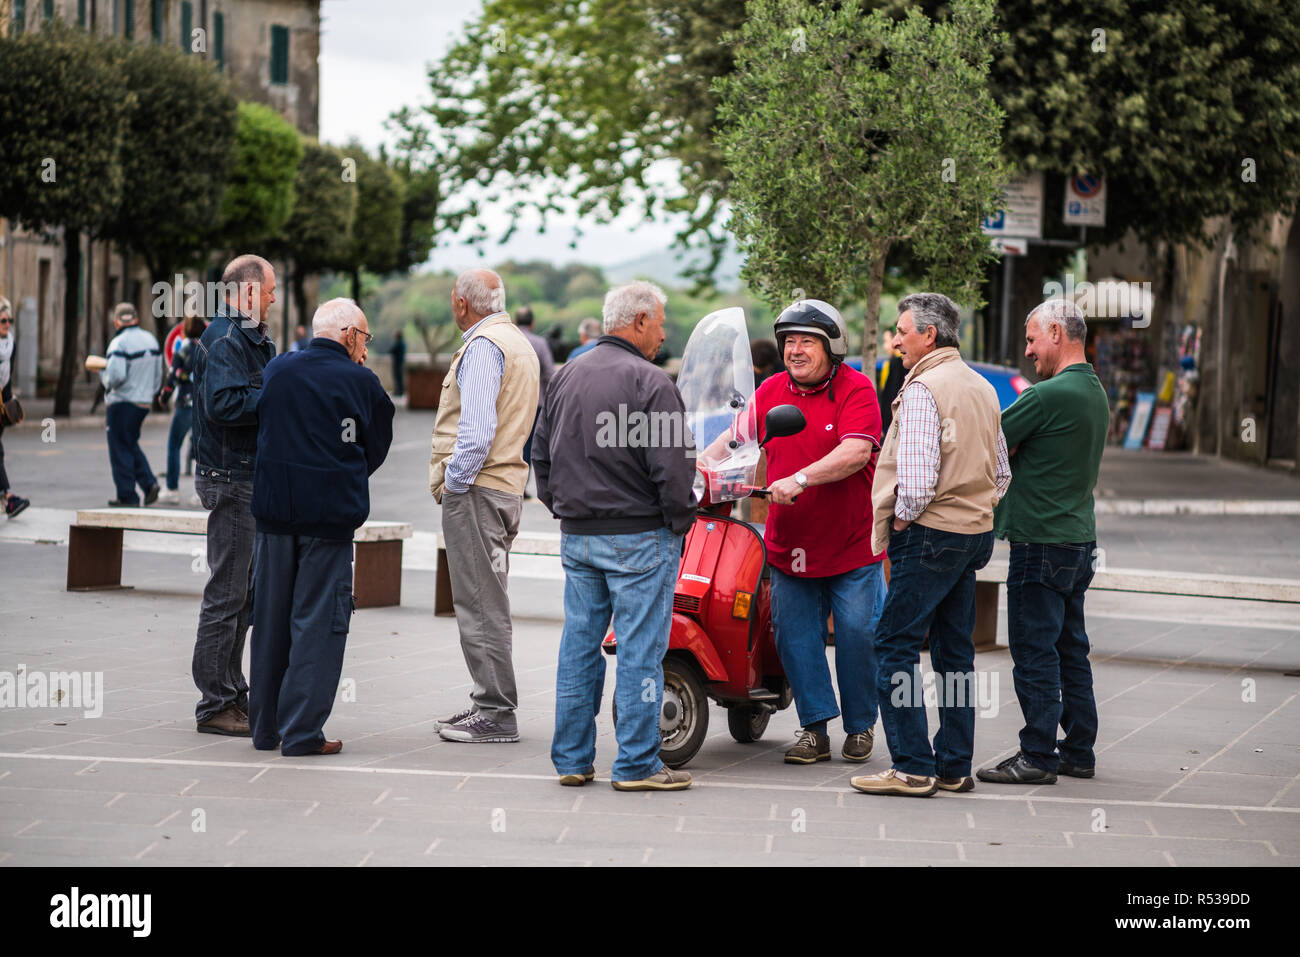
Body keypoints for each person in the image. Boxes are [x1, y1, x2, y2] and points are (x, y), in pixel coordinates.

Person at [533, 281, 695, 791]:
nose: (664, 334)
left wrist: (561, 505)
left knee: (579, 646)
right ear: (640, 321)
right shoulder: (652, 383)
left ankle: (573, 761)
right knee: (640, 652)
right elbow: (673, 469)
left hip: (578, 535)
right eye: (661, 323)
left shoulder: (565, 375)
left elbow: (538, 454)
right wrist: (681, 518)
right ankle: (637, 764)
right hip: (640, 536)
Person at [852, 292, 1010, 798]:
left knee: (893, 644)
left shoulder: (923, 389)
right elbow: (1002, 473)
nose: (895, 340)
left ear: (929, 335)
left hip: (927, 535)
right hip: (970, 534)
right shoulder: (982, 387)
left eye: (902, 331)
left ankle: (913, 767)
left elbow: (916, 484)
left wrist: (901, 522)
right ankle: (953, 766)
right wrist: (969, 507)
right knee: (954, 652)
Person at [249, 298, 394, 756]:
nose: (366, 350)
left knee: (270, 619)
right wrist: (341, 473)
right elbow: (376, 445)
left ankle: (266, 728)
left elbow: (262, 425)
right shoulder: (361, 382)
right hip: (328, 521)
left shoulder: (279, 369)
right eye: (365, 339)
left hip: (274, 516)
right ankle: (302, 732)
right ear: (350, 334)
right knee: (317, 624)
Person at [749, 300, 888, 766]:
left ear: (832, 346)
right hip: (790, 546)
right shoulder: (769, 390)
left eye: (807, 340)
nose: (795, 350)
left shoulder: (858, 389)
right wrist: (701, 467)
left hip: (852, 546)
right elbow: (734, 438)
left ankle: (861, 725)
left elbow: (855, 452)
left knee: (858, 634)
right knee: (794, 637)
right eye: (789, 341)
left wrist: (801, 478)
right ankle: (814, 728)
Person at [977, 299, 1110, 785]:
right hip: (1078, 540)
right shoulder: (1094, 390)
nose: (1029, 350)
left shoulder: (1047, 394)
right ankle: (1079, 750)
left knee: (1034, 650)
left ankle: (1036, 755)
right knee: (1071, 648)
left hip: (1040, 542)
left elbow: (989, 443)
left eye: (1033, 339)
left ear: (1056, 332)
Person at [429, 269, 540, 743]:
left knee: (479, 603)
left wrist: (454, 485)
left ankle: (495, 713)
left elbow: (474, 435)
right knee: (487, 599)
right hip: (505, 486)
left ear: (461, 304)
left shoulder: (483, 347)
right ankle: (488, 704)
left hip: (478, 489)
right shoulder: (518, 344)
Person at [190, 254, 277, 737]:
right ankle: (215, 703)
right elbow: (224, 404)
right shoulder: (225, 339)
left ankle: (231, 690)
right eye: (268, 291)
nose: (272, 299)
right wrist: (276, 393)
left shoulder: (249, 337)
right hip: (230, 477)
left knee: (242, 595)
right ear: (245, 292)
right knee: (227, 594)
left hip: (244, 474)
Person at [101, 302, 164, 507]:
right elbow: (158, 375)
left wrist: (103, 376)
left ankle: (127, 496)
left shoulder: (119, 344)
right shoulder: (151, 340)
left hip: (122, 402)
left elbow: (115, 376)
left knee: (119, 448)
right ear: (136, 319)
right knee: (129, 443)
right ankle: (149, 484)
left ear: (116, 322)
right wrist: (149, 393)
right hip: (143, 402)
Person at [157, 313, 205, 505]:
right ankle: (201, 493)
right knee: (201, 448)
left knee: (174, 444)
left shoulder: (184, 348)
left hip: (185, 403)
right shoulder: (206, 349)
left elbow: (173, 376)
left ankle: (172, 489)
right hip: (202, 404)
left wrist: (163, 396)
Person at [514, 305, 555, 497]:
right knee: (528, 445)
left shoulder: (510, 340)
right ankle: (521, 485)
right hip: (534, 402)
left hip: (510, 402)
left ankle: (509, 482)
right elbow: (549, 373)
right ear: (532, 322)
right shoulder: (539, 343)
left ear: (515, 321)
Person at [0, 296, 30, 519]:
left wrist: (10, 401)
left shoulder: (10, 343)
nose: (7, 324)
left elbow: (7, 375)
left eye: (9, 319)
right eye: (3, 320)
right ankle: (8, 498)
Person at [389, 328, 407, 397]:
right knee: (399, 378)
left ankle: (398, 392)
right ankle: (400, 391)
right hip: (400, 362)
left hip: (398, 363)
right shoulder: (402, 343)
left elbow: (392, 350)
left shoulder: (399, 343)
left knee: (398, 377)